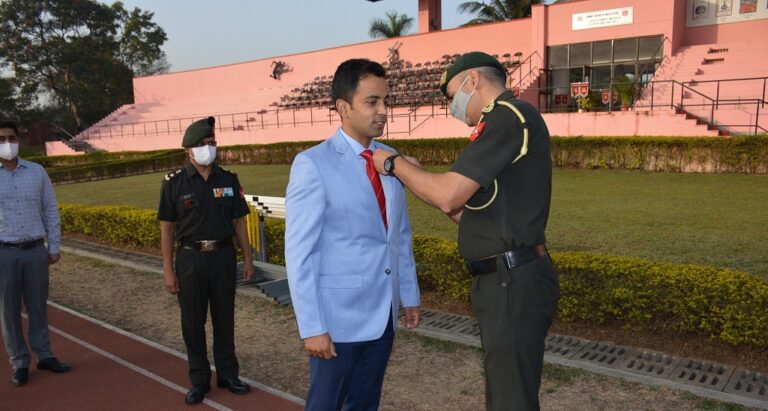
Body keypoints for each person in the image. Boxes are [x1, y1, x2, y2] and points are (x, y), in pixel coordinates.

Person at [373, 52, 559, 411]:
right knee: (507, 391)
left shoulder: (506, 117)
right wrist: (416, 177)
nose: (452, 107)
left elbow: (448, 195)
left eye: (452, 96)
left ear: (473, 80)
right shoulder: (510, 120)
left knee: (510, 400)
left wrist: (395, 165)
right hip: (509, 277)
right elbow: (465, 213)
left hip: (511, 279)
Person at [285, 59, 421, 411]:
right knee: (326, 404)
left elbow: (399, 235)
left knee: (365, 403)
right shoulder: (313, 163)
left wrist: (408, 293)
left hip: (384, 314)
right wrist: (312, 326)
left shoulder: (390, 160)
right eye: (372, 102)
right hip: (337, 320)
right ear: (343, 108)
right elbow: (300, 253)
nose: (383, 111)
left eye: (386, 101)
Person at [158, 116, 254, 405]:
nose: (208, 148)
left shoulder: (228, 179)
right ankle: (199, 379)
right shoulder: (174, 183)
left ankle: (228, 374)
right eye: (202, 144)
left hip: (223, 257)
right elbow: (167, 227)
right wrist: (168, 269)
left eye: (212, 142)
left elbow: (239, 222)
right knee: (193, 322)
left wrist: (248, 258)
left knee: (225, 319)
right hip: (190, 259)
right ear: (188, 149)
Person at [0, 119, 71, 386]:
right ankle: (19, 361)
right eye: (1, 139)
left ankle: (44, 354)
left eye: (11, 138)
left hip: (35, 250)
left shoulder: (36, 172)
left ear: (19, 140)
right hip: (5, 251)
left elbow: (50, 209)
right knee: (9, 311)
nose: (7, 143)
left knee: (38, 306)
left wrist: (54, 246)